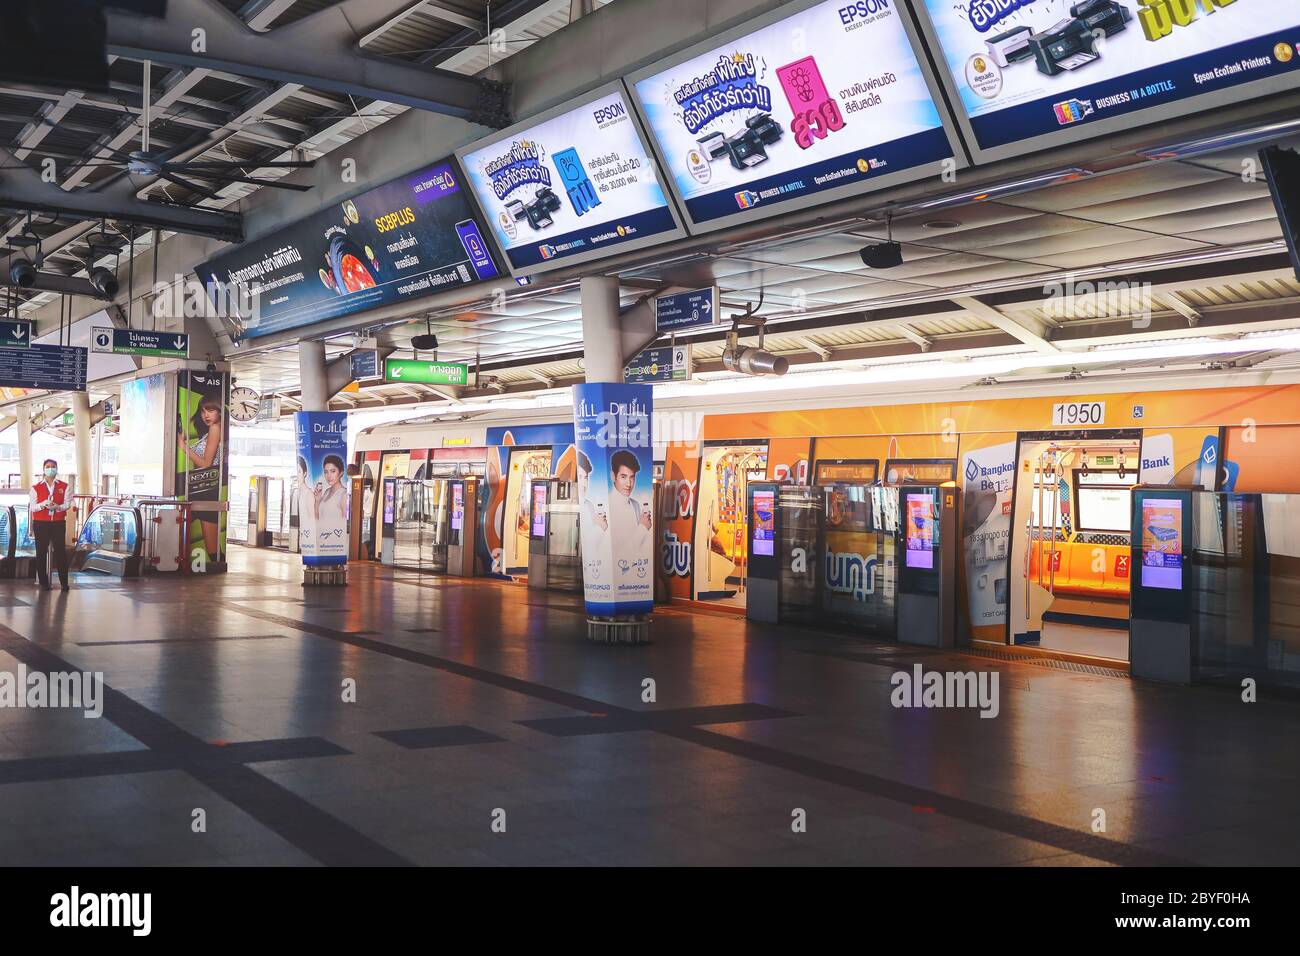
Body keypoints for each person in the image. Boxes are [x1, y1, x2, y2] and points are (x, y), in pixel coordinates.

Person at [179, 397, 225, 560]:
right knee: (212, 548)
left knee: (212, 548)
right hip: (202, 488)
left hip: (206, 490)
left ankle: (214, 570)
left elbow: (206, 464)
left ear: (220, 411)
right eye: (203, 411)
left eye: (211, 410)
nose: (206, 415)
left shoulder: (215, 428)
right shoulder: (210, 431)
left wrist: (182, 445)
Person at [30, 458, 73, 591]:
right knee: (41, 553)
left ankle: (64, 583)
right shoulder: (35, 488)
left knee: (60, 552)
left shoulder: (65, 486)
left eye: (53, 466)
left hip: (58, 523)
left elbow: (68, 504)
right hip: (40, 523)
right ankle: (43, 583)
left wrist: (57, 507)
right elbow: (33, 507)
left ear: (57, 469)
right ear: (43, 469)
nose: (50, 469)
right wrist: (43, 504)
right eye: (48, 466)